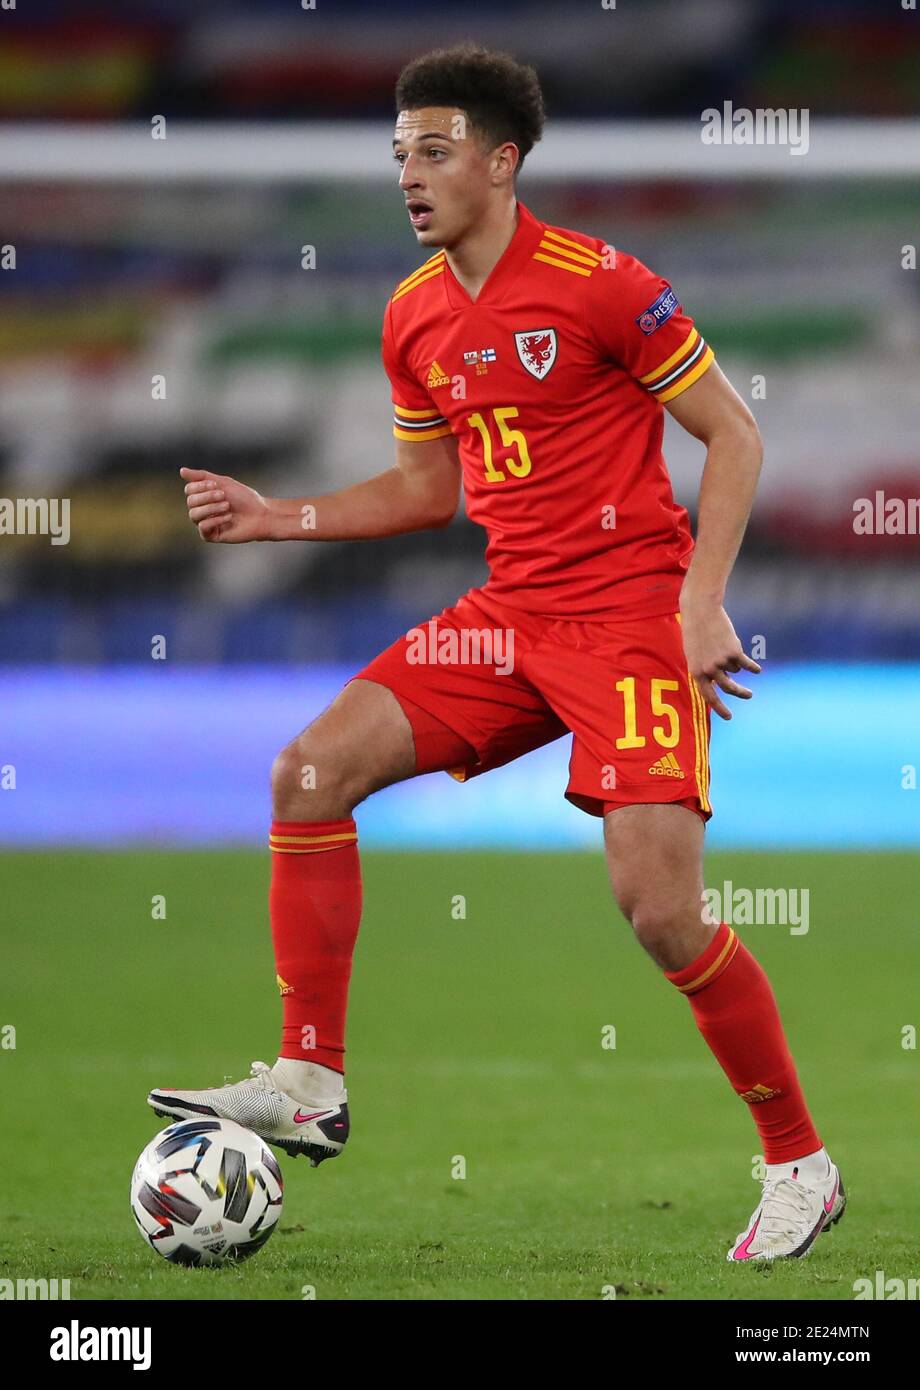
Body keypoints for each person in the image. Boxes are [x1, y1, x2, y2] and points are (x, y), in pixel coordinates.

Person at [150, 44, 844, 1262]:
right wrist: (280, 515)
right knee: (308, 773)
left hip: (630, 616)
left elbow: (731, 435)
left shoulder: (602, 283)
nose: (409, 176)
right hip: (508, 618)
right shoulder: (411, 316)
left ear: (500, 160)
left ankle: (800, 1164)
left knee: (659, 912)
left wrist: (698, 605)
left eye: (433, 151)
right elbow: (429, 489)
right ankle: (310, 1074)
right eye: (398, 155)